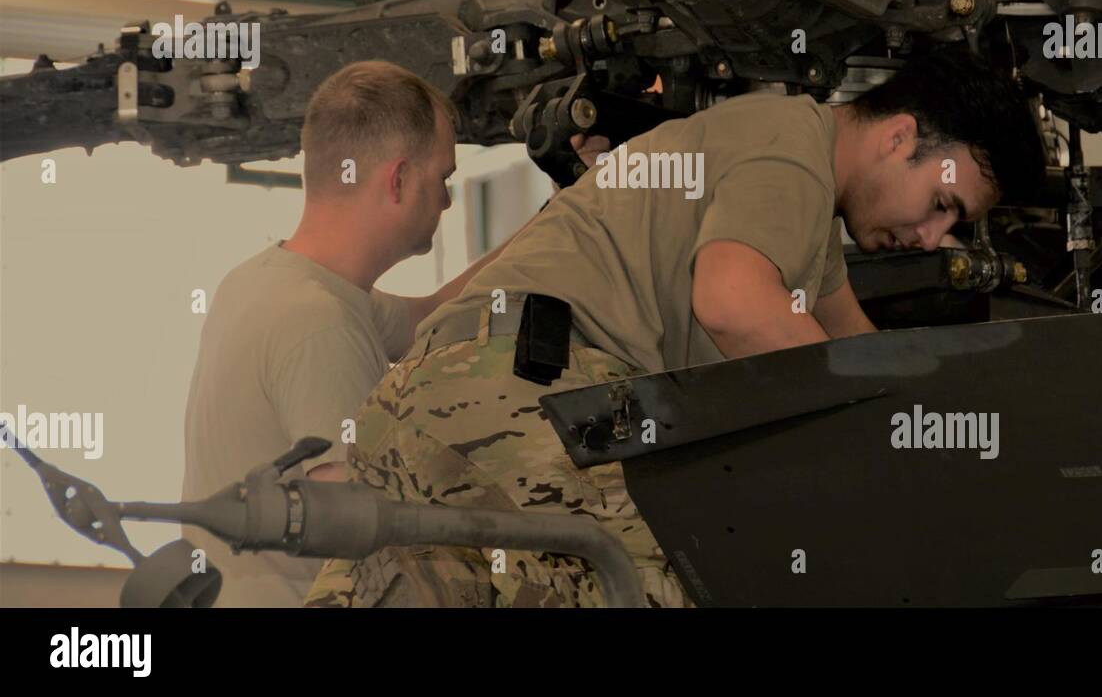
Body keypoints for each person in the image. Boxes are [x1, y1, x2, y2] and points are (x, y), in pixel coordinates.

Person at [304, 54, 1047, 608]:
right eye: (943, 203)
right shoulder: (793, 150)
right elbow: (733, 302)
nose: (933, 237)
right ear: (898, 136)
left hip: (423, 399)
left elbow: (851, 349)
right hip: (524, 398)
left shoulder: (793, 195)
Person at [182, 60, 500, 606]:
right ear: (398, 180)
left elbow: (432, 315)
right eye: (443, 179)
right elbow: (358, 539)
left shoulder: (272, 282)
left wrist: (566, 215)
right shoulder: (317, 323)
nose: (446, 201)